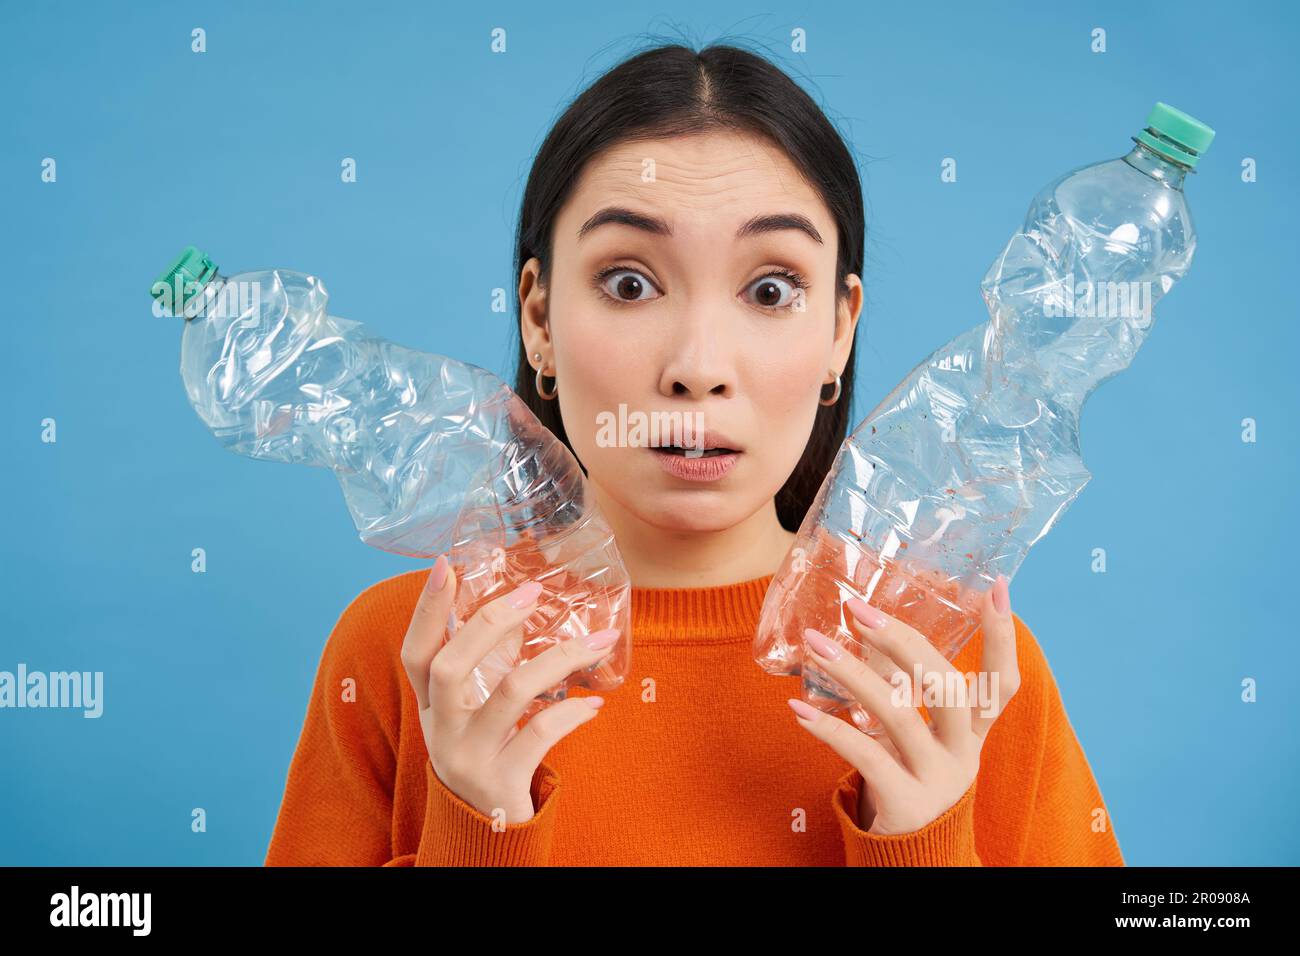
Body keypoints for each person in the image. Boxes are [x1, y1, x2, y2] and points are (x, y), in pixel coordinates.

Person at [264, 40, 1124, 867]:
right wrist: (475, 834)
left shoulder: (949, 673)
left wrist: (924, 848)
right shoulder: (415, 655)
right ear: (539, 320)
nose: (698, 368)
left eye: (771, 289)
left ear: (839, 330)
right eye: (629, 283)